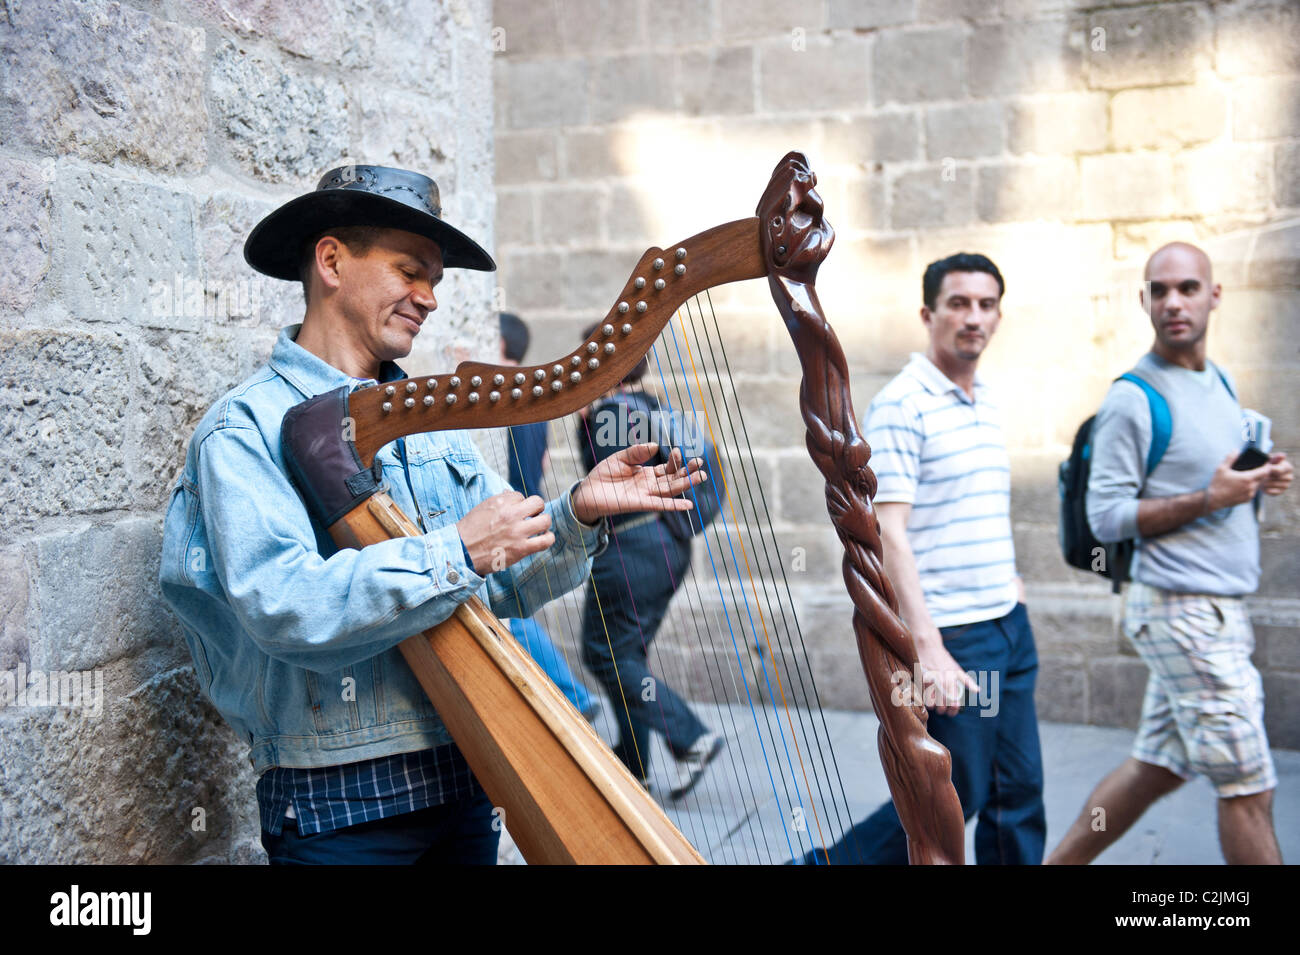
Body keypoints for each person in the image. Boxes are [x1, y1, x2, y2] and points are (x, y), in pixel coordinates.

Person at [159, 164, 704, 864]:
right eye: (410, 271)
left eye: (436, 282)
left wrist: (575, 515)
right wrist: (459, 551)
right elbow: (284, 606)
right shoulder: (244, 430)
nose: (429, 298)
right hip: (340, 810)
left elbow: (501, 585)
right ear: (331, 260)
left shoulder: (430, 424)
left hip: (468, 783)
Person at [1047, 242, 1292, 866]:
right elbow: (1106, 518)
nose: (1173, 302)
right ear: (1144, 301)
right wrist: (1210, 497)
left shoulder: (1218, 380)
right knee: (1249, 787)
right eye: (1159, 290)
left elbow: (1220, 475)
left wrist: (1259, 479)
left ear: (1214, 295)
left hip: (1213, 610)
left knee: (1156, 768)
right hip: (1183, 613)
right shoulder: (1133, 397)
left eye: (1187, 288)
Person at [797, 252, 1044, 865]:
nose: (974, 317)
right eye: (959, 303)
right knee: (953, 795)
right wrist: (928, 648)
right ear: (928, 313)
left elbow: (974, 508)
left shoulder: (983, 397)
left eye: (986, 305)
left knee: (1021, 794)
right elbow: (890, 534)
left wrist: (1009, 580)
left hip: (1008, 626)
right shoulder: (905, 404)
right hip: (957, 634)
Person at [576, 323, 722, 799]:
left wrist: (586, 420)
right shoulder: (657, 407)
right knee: (625, 654)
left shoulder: (612, 414)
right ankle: (633, 763)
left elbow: (608, 487)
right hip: (666, 545)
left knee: (605, 653)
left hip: (632, 547)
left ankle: (690, 736)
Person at [497, 311, 598, 720]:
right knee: (512, 611)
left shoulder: (500, 394)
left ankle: (573, 697)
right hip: (529, 507)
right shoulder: (534, 399)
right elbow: (540, 457)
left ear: (498, 345)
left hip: (512, 515)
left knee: (507, 613)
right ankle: (568, 697)